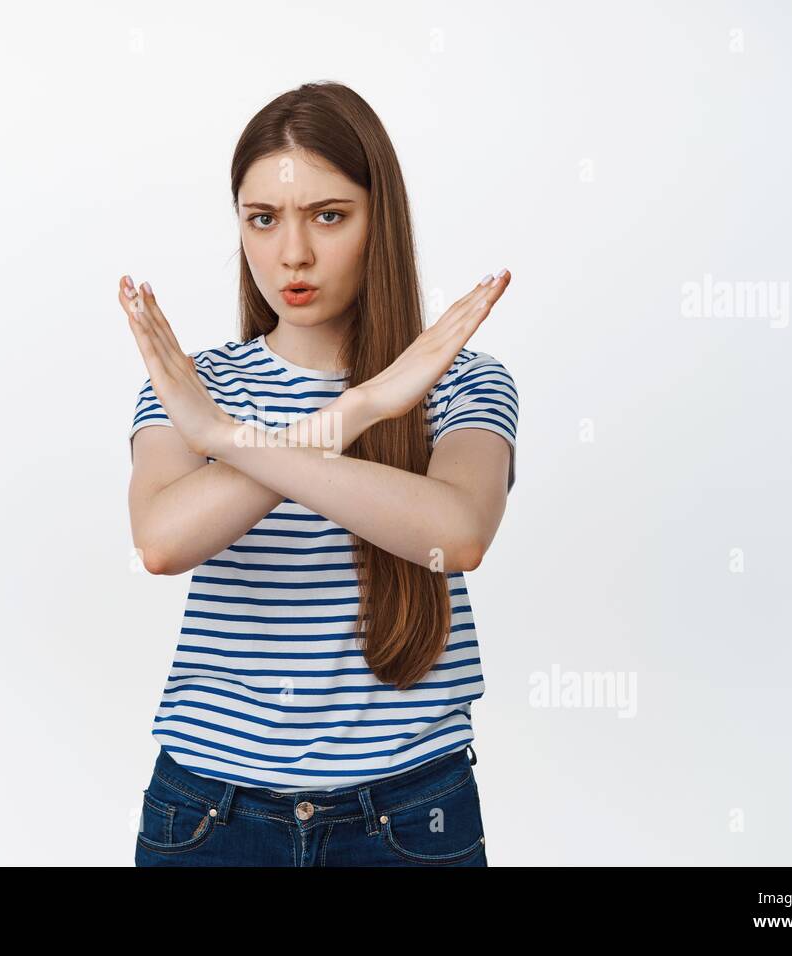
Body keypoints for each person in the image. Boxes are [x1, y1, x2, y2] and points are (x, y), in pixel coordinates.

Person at [120, 81, 518, 866]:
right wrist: (356, 411)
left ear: (381, 220)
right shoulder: (194, 388)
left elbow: (458, 535)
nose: (291, 254)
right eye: (262, 219)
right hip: (209, 814)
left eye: (328, 216)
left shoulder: (465, 383)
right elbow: (162, 543)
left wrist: (234, 442)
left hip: (407, 815)